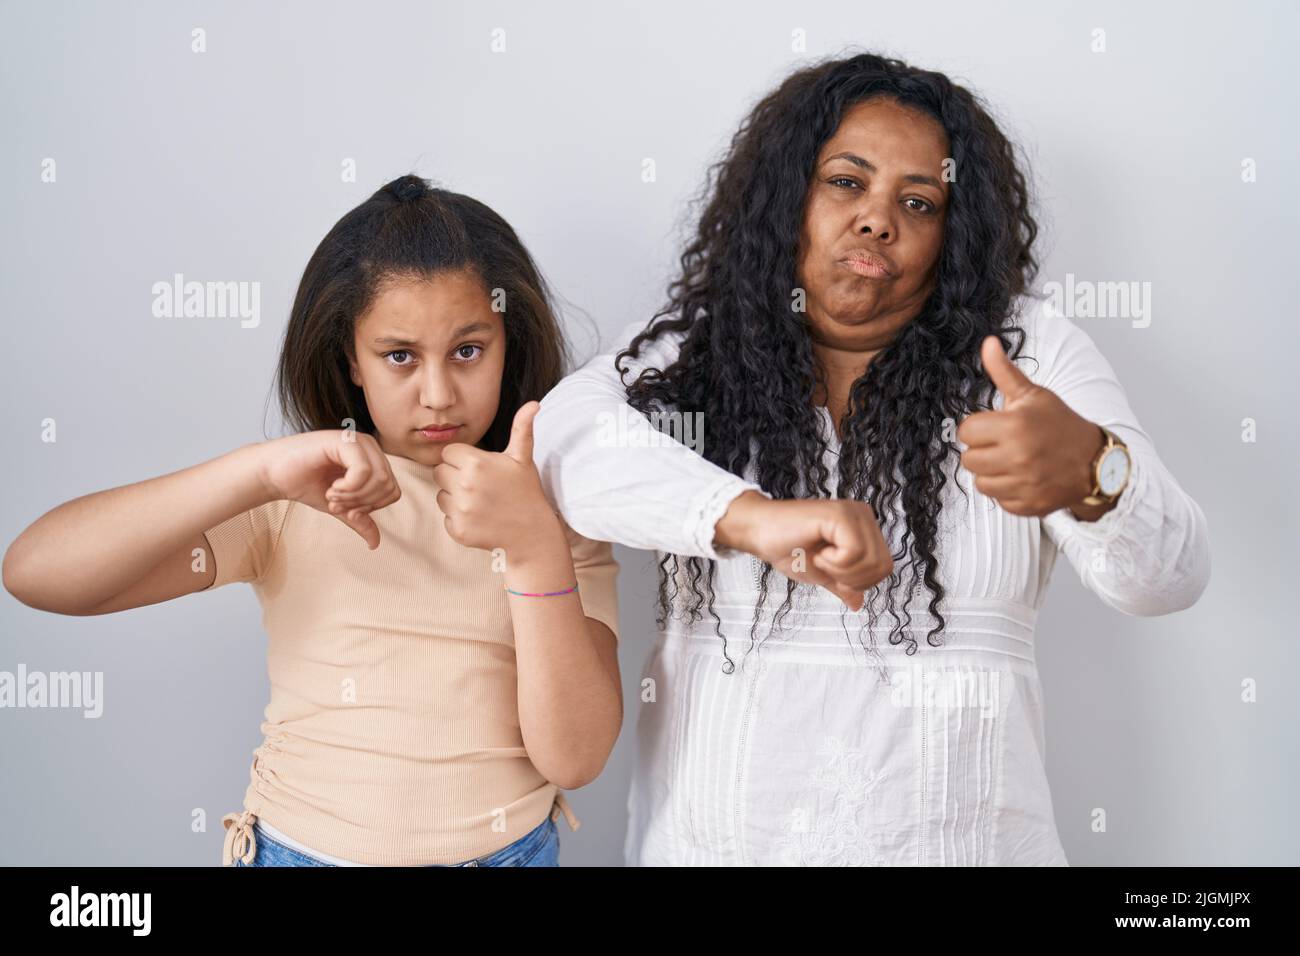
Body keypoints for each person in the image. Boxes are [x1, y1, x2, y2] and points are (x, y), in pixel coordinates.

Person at [532, 53, 1211, 865]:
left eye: (918, 202)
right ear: (787, 198)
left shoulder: (1028, 356)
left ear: (950, 238)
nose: (876, 219)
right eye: (846, 183)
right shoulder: (695, 352)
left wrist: (1095, 473)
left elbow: (1171, 580)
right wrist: (753, 520)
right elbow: (564, 443)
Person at [2, 174, 622, 867]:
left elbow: (575, 757)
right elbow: (37, 572)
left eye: (469, 351)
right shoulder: (298, 496)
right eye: (399, 357)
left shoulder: (558, 506)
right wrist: (258, 473)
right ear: (349, 361)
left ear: (511, 340)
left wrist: (534, 545)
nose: (439, 393)